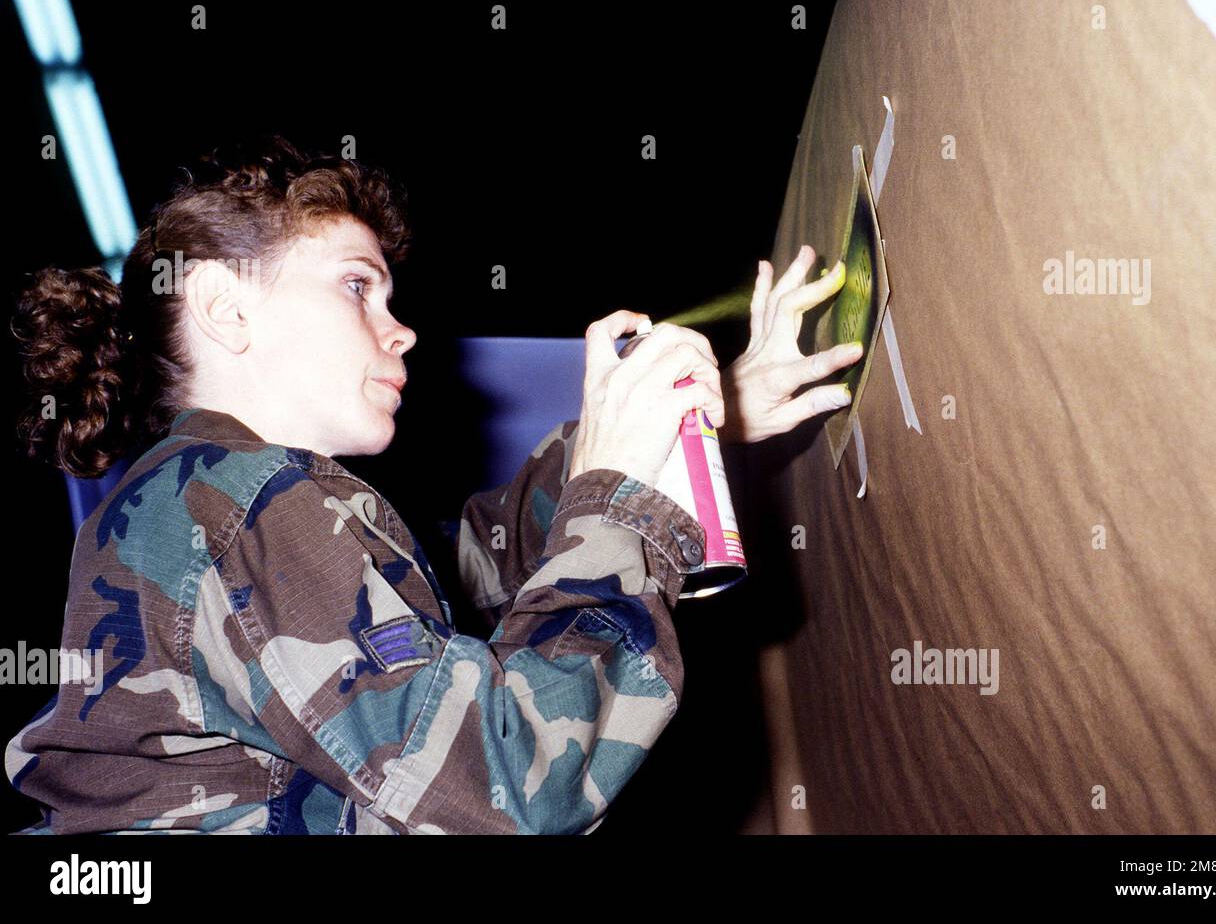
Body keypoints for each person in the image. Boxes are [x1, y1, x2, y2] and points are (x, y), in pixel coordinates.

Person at [4, 136, 862, 834]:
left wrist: (697, 422)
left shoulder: (212, 500)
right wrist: (618, 495)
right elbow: (519, 778)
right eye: (356, 286)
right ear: (228, 310)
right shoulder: (244, 499)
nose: (402, 329)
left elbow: (474, 560)